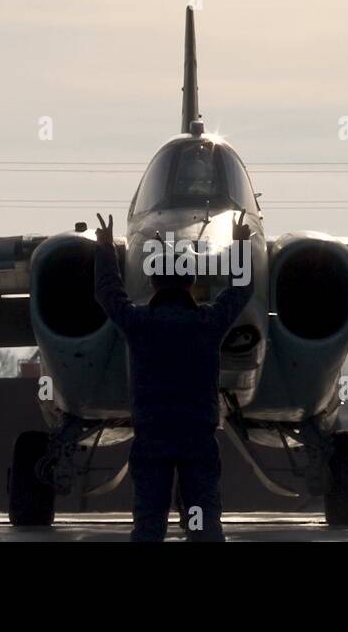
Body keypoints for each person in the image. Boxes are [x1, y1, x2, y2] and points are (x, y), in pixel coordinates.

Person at [93, 212, 253, 541]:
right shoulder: (208, 324)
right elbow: (241, 288)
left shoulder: (138, 324)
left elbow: (108, 293)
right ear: (190, 283)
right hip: (197, 438)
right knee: (203, 522)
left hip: (152, 438)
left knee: (150, 524)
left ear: (153, 283)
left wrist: (106, 249)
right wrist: (240, 245)